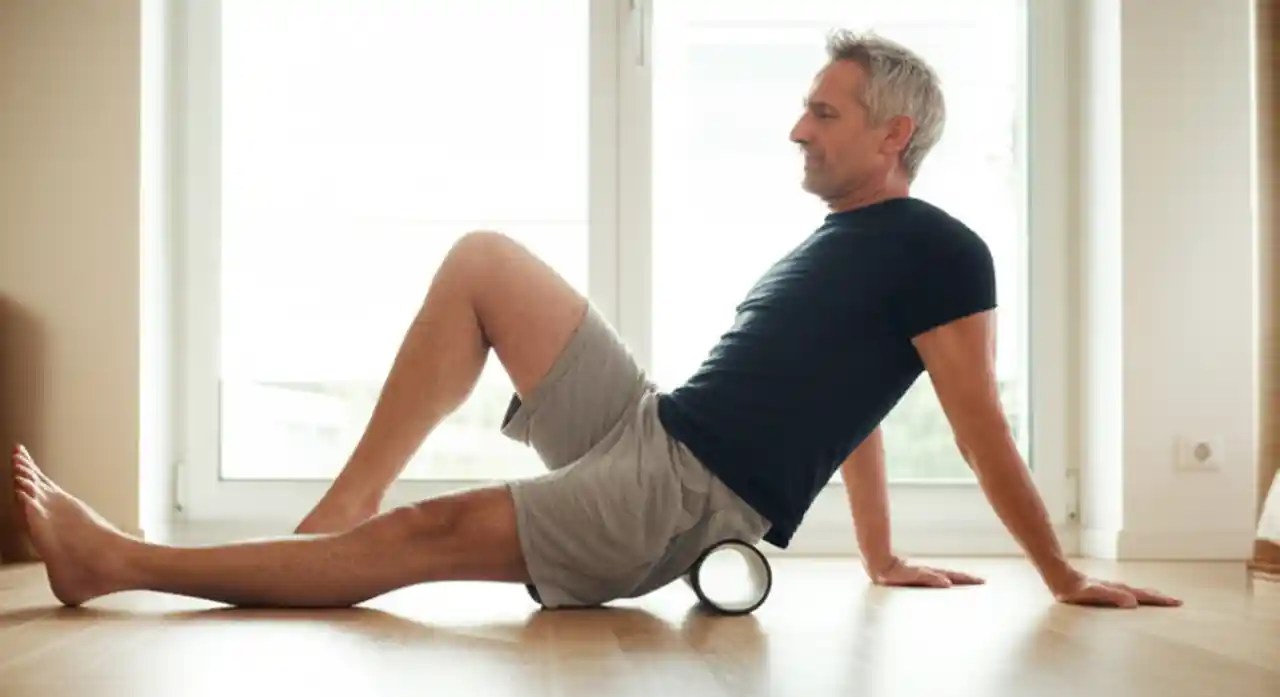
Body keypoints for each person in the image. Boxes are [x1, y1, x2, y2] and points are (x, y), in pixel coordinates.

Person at [11, 31, 1179, 611]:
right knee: (485, 261)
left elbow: (973, 428)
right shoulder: (846, 246)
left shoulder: (939, 248)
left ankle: (113, 561)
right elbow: (859, 408)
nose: (795, 130)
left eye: (822, 112)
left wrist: (1060, 576)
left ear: (892, 137)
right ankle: (341, 509)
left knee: (431, 539)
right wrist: (876, 557)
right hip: (650, 427)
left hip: (676, 495)